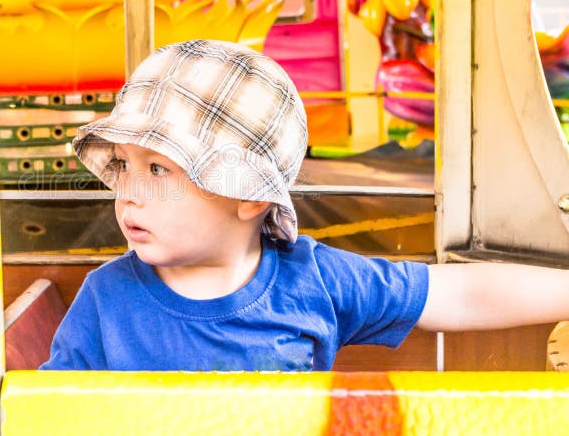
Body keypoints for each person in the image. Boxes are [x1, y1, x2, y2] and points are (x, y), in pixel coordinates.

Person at [39, 39, 569, 371]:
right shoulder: (105, 300)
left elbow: (460, 295)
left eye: (159, 169)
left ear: (248, 195)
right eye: (124, 165)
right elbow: (49, 417)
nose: (127, 190)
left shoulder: (315, 280)